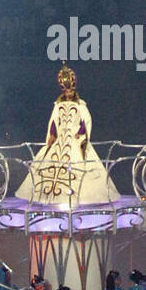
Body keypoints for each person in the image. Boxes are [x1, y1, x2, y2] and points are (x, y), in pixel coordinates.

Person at [15, 64, 118, 205]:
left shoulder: (80, 105)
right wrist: (52, 134)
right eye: (66, 90)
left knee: (78, 166)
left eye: (70, 90)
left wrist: (80, 133)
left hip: (74, 140)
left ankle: (77, 197)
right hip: (59, 139)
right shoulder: (58, 105)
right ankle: (47, 196)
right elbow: (53, 122)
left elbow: (85, 121)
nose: (68, 93)